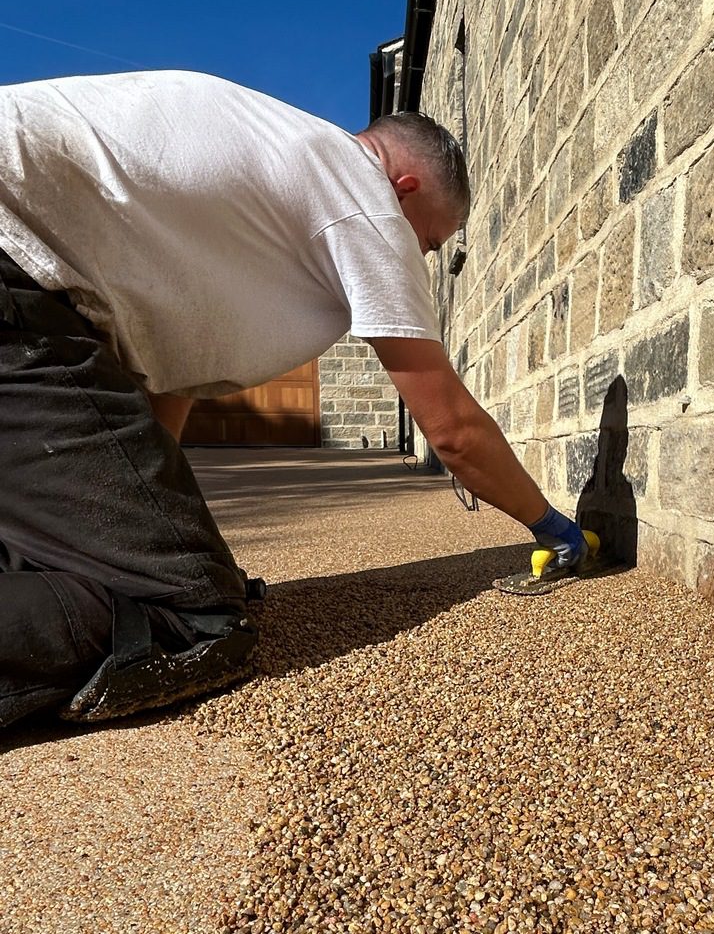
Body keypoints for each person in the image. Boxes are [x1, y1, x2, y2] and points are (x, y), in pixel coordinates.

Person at [0, 68, 587, 729]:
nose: (418, 257)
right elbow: (450, 429)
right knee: (196, 618)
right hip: (15, 272)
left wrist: (179, 539)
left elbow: (165, 400)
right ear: (406, 188)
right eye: (429, 241)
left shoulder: (270, 174)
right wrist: (551, 526)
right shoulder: (361, 195)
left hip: (28, 280)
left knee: (90, 559)